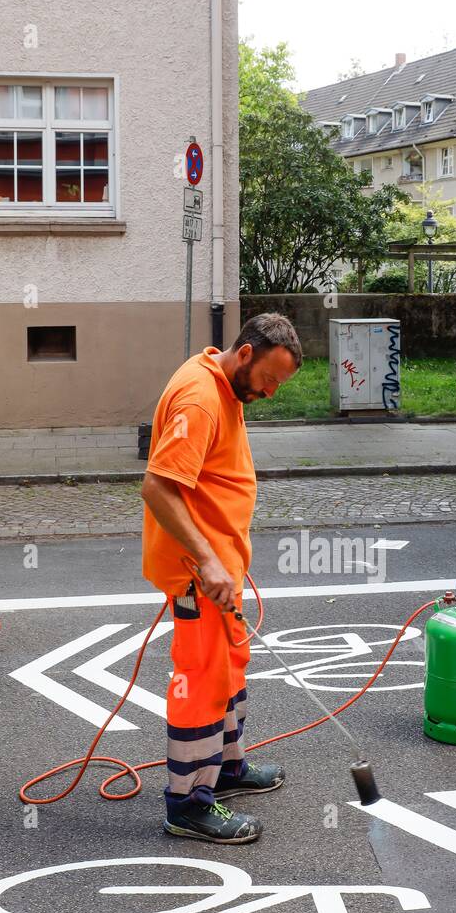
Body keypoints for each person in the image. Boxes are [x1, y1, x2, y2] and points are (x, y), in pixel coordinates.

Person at [141, 314, 303, 844]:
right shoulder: (201, 397)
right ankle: (187, 803)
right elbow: (159, 488)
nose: (272, 392)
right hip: (200, 574)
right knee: (203, 678)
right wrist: (209, 563)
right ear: (247, 354)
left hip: (220, 568)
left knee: (230, 668)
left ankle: (226, 769)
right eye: (270, 380)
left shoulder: (224, 385)